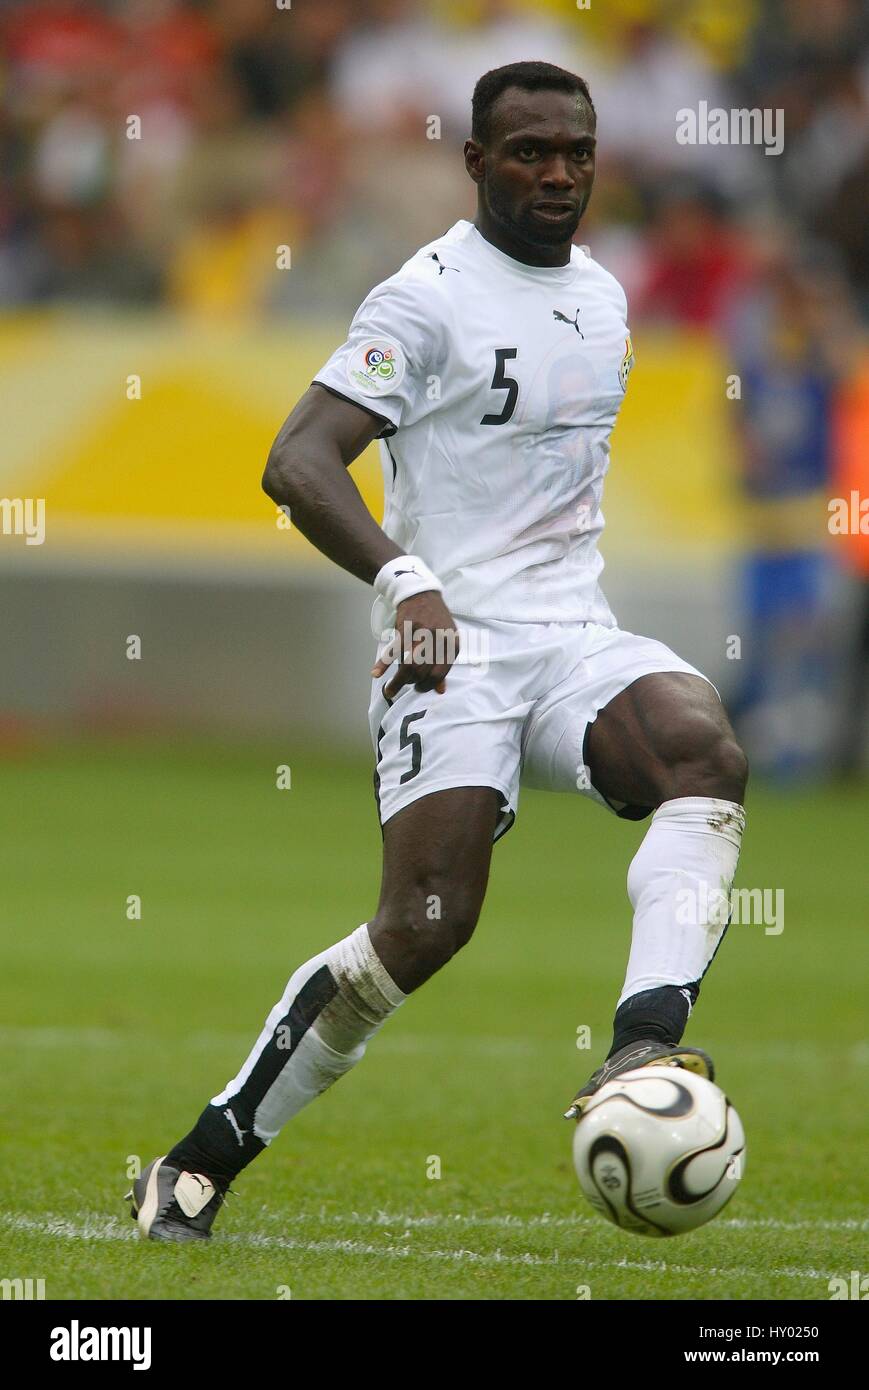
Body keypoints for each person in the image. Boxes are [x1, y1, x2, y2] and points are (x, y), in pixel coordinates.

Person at [129, 61, 748, 1242]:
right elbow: (298, 462)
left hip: (569, 632)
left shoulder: (607, 302)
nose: (555, 171)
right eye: (526, 151)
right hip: (444, 643)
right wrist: (405, 580)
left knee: (698, 750)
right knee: (422, 924)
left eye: (573, 149)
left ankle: (640, 1047)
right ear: (475, 164)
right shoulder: (421, 299)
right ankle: (198, 1160)